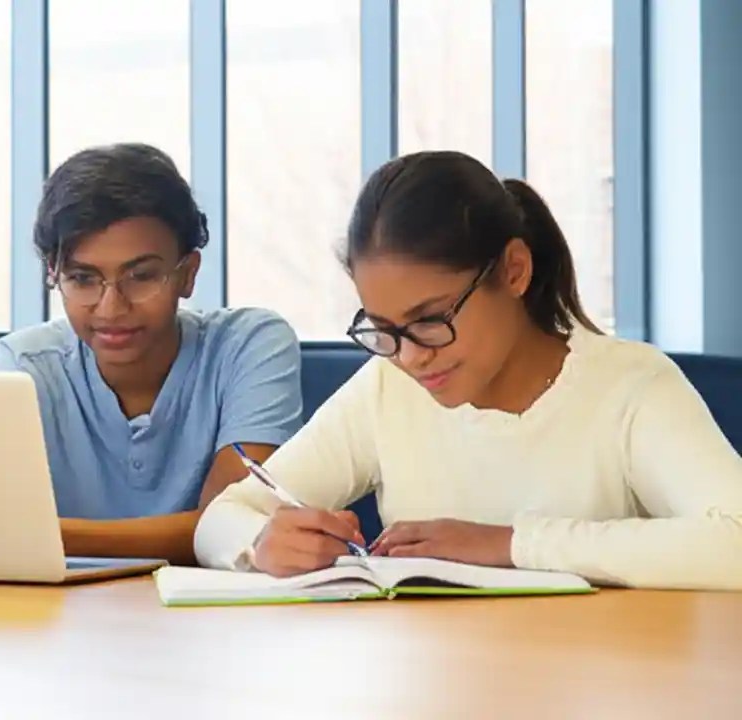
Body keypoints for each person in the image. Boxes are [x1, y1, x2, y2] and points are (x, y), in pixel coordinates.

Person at [194, 150, 742, 590]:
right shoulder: (388, 388)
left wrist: (509, 545)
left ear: (515, 270)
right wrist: (261, 542)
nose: (410, 356)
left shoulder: (630, 386)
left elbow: (734, 541)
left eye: (431, 319)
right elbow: (223, 516)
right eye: (383, 328)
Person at [0, 143, 302, 565]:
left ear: (187, 273)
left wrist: (46, 534)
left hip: (213, 621)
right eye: (82, 279)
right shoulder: (22, 367)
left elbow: (230, 525)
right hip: (59, 617)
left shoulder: (249, 345)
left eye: (141, 276)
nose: (111, 308)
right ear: (53, 275)